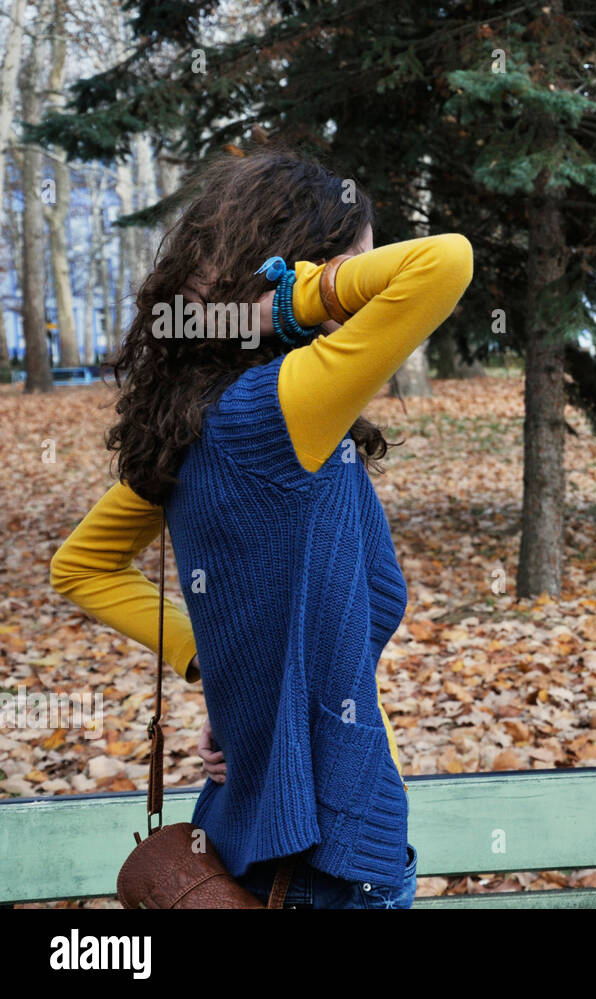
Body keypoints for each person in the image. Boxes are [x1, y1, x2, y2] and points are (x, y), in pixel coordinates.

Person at [49, 148, 472, 908]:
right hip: (327, 856)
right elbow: (446, 263)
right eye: (357, 265)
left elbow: (81, 565)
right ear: (297, 269)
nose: (364, 291)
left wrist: (213, 666)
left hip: (253, 830)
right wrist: (295, 302)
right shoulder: (276, 411)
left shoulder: (191, 422)